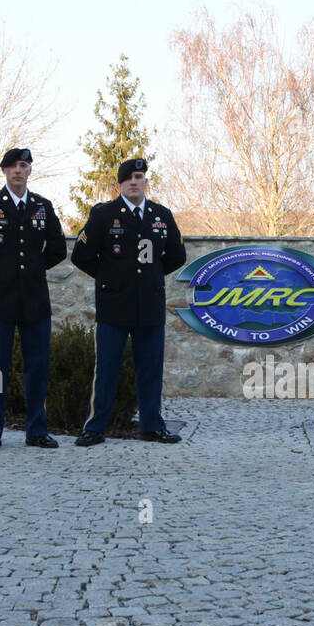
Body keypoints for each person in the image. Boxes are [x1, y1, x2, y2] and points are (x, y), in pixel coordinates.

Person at [70, 157, 187, 446]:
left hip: (150, 304)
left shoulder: (161, 215)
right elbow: (81, 255)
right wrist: (110, 278)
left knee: (150, 369)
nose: (135, 182)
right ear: (120, 184)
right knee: (107, 369)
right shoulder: (104, 215)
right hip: (114, 305)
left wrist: (152, 275)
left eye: (139, 177)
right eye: (129, 178)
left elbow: (177, 255)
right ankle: (95, 428)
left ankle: (152, 426)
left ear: (146, 181)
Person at [0, 148, 66, 450]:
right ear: (4, 171)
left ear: (30, 171)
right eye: (13, 167)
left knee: (38, 366)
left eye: (24, 166)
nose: (19, 171)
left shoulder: (42, 207)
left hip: (34, 299)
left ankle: (37, 430)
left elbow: (58, 248)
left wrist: (33, 269)